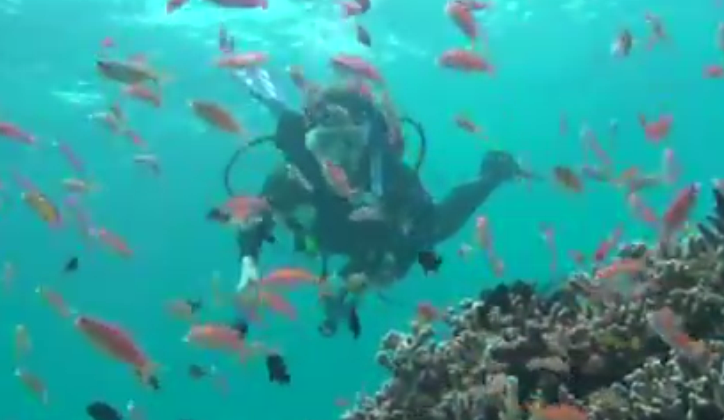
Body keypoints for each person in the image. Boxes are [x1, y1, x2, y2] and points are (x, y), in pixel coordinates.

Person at [220, 66, 521, 307]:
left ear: (369, 143)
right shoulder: (293, 175)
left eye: (349, 143)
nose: (338, 159)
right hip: (324, 233)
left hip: (371, 238)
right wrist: (249, 264)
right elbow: (256, 215)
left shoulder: (393, 179)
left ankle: (491, 175)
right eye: (325, 144)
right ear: (311, 143)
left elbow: (430, 225)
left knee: (430, 232)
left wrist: (383, 263)